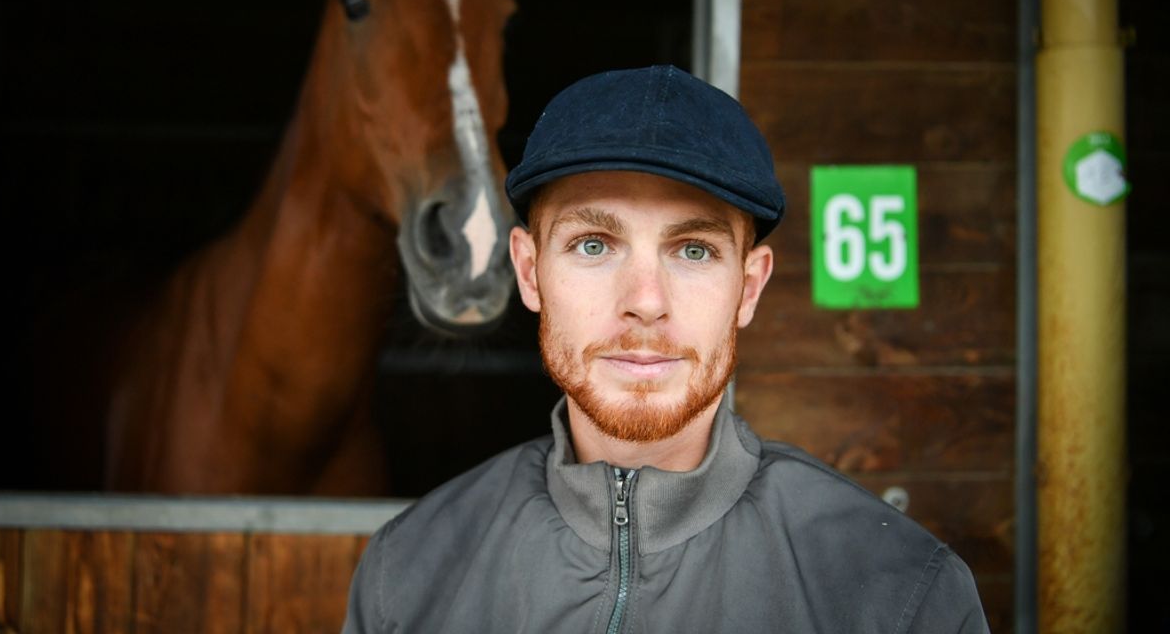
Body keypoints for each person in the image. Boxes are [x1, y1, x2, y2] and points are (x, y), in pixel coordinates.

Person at [340, 65, 989, 633]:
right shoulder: (410, 571)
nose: (646, 301)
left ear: (749, 286)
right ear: (531, 273)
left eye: (694, 249)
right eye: (594, 244)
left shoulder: (901, 590)